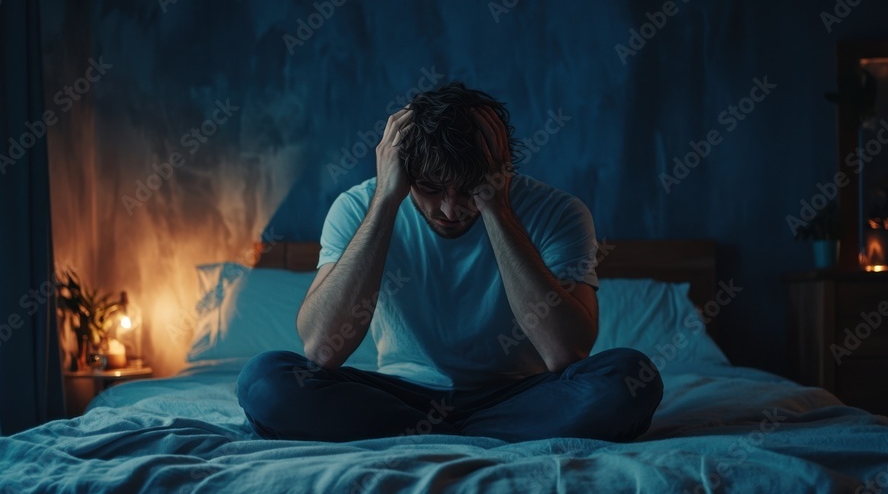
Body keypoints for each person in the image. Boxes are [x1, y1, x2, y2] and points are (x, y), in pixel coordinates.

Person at [237, 82, 662, 443]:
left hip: (521, 394)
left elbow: (566, 354)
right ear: (402, 171)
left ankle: (447, 430)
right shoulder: (357, 208)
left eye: (469, 187)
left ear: (500, 169)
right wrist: (387, 200)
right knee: (266, 381)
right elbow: (321, 348)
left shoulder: (560, 212)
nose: (450, 208)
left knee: (628, 376)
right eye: (430, 186)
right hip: (398, 397)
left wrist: (497, 209)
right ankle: (475, 431)